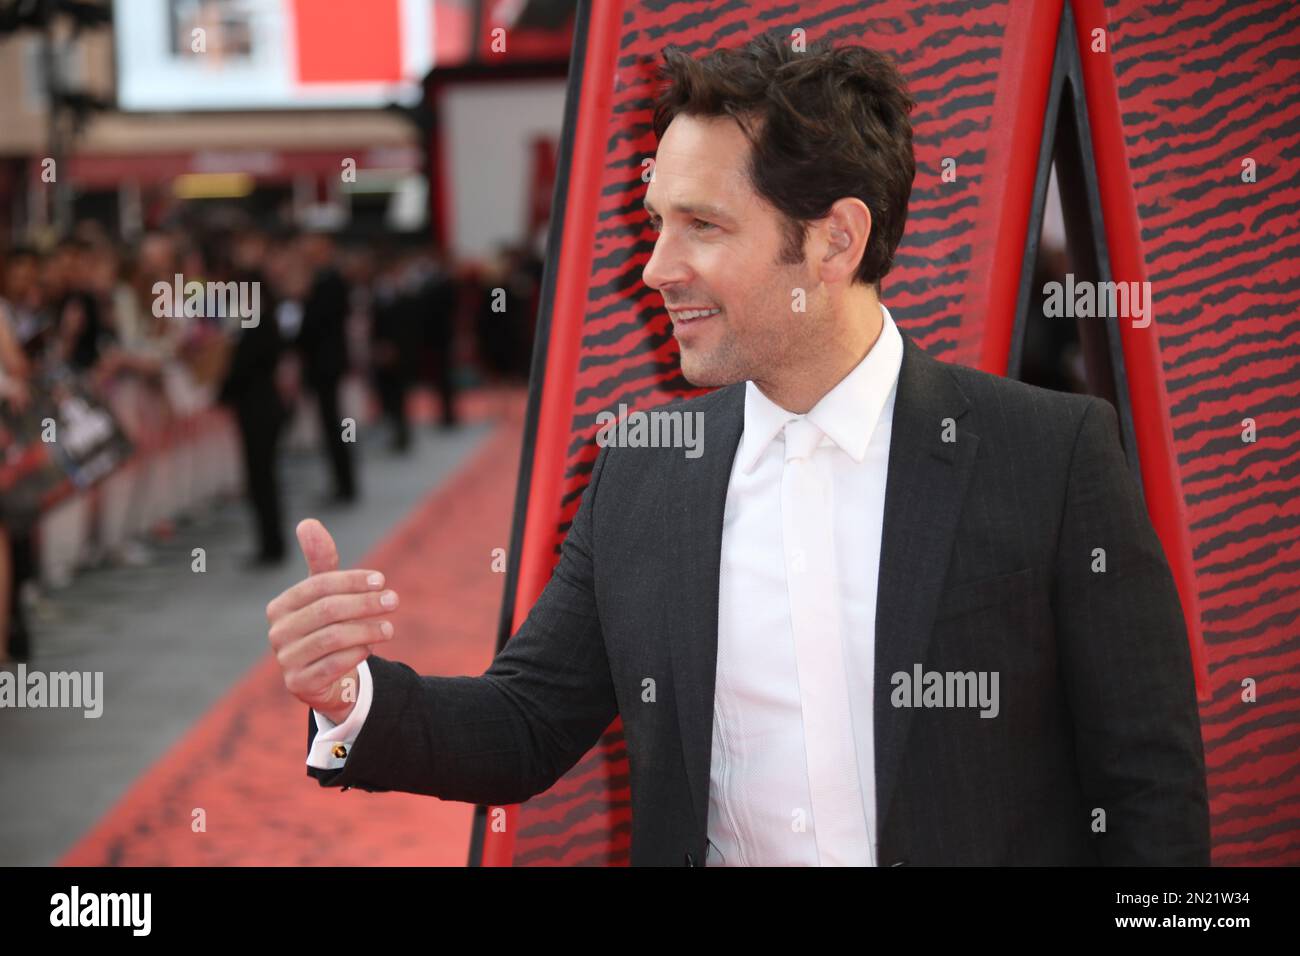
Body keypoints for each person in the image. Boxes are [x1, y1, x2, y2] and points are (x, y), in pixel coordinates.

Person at [265, 35, 1209, 866]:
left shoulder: (1048, 457)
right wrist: (352, 698)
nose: (656, 267)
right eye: (656, 222)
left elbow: (1148, 787)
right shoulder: (642, 473)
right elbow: (523, 724)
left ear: (835, 240)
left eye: (703, 226)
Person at [294, 229, 356, 505]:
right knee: (330, 424)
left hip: (326, 363)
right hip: (325, 362)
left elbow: (316, 324)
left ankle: (344, 485)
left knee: (332, 424)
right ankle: (342, 483)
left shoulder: (328, 281)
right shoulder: (325, 279)